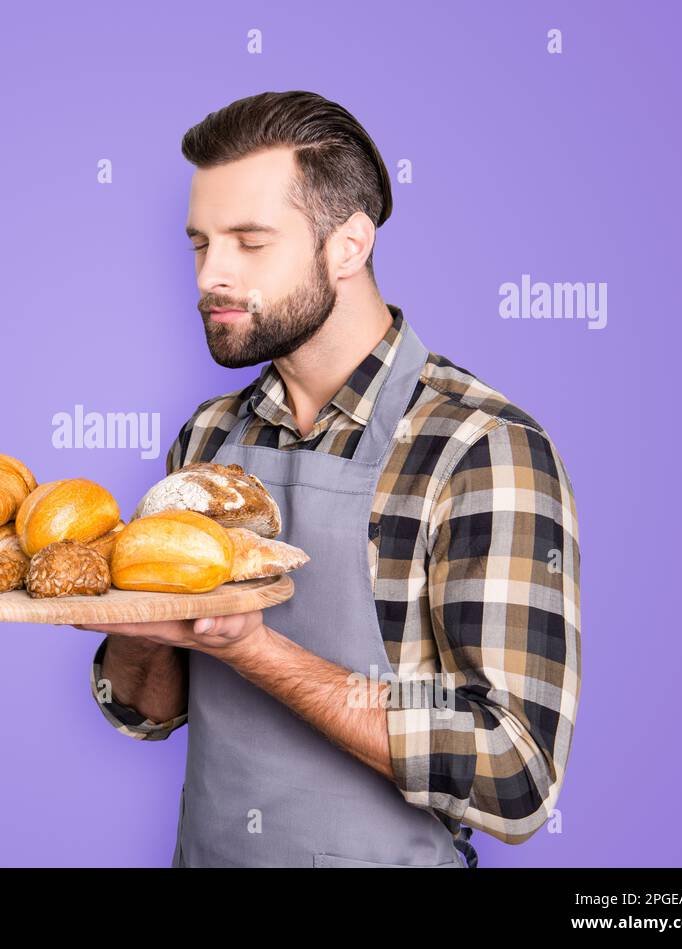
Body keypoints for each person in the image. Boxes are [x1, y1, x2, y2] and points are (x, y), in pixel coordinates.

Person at [77, 91, 581, 868]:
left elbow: (515, 775)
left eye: (249, 242)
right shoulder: (210, 438)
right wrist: (139, 624)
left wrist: (256, 650)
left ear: (348, 245)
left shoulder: (478, 447)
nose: (212, 275)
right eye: (200, 244)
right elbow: (144, 713)